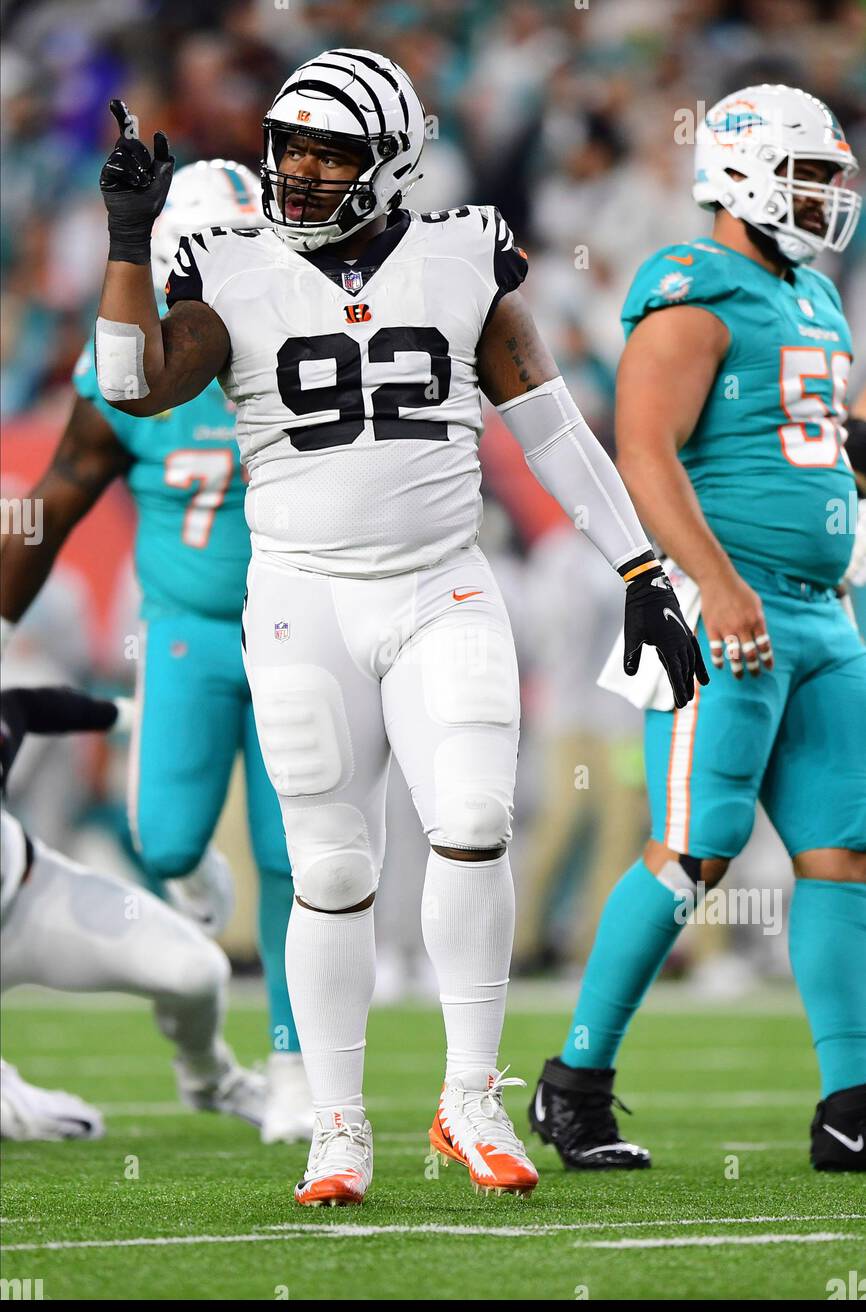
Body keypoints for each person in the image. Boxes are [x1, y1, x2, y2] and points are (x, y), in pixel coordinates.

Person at [90, 49, 701, 1206]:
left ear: (392, 163)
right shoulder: (228, 259)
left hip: (438, 584)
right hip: (301, 596)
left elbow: (551, 424)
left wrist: (638, 565)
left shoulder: (461, 253)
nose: (303, 171)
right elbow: (134, 385)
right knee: (329, 866)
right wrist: (127, 240)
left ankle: (470, 1096)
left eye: (331, 152)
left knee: (473, 816)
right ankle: (335, 1125)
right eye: (290, 147)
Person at [530, 85, 865, 1174]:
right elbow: (643, 451)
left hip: (823, 614)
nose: (825, 198)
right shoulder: (690, 285)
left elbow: (800, 434)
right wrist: (715, 584)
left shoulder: (809, 297)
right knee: (691, 853)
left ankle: (849, 1102)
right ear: (745, 171)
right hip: (726, 606)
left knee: (840, 857)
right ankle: (573, 1085)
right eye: (808, 175)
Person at [0, 160, 312, 1145]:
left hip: (299, 632)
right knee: (171, 840)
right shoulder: (132, 374)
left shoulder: (304, 356)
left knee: (291, 851)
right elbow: (54, 500)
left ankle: (296, 1065)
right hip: (184, 631)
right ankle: (185, 887)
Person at [0, 685, 265, 1140]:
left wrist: (135, 718)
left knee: (196, 970)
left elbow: (24, 707)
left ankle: (210, 1078)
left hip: (28, 897)